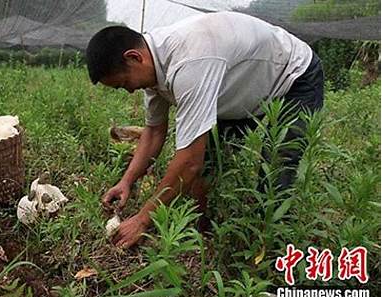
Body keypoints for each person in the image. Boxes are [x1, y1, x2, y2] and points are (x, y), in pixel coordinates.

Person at [85, 11, 324, 249]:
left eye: (125, 83)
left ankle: (271, 251)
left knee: (276, 168)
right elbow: (155, 131)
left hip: (293, 76)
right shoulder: (152, 64)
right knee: (208, 166)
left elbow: (189, 162)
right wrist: (126, 181)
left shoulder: (190, 63)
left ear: (135, 57)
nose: (128, 91)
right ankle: (204, 234)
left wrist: (143, 219)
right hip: (241, 88)